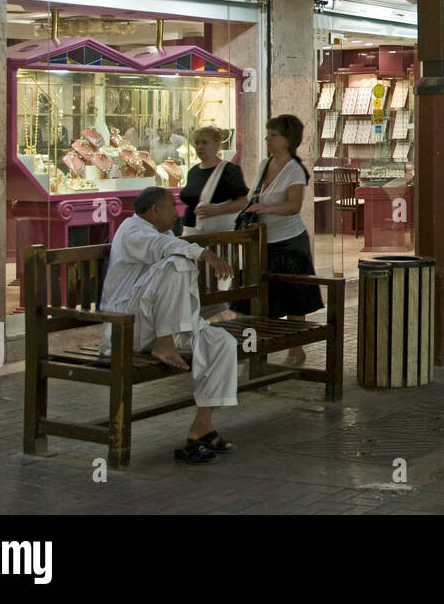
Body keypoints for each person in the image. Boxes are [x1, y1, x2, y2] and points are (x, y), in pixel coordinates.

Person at [100, 187, 237, 464]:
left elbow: (168, 255)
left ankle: (202, 427)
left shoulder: (162, 233)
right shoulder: (132, 230)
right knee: (177, 263)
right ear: (154, 211)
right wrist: (204, 254)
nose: (176, 214)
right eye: (170, 208)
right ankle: (164, 344)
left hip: (161, 323)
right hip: (128, 328)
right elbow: (163, 250)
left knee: (223, 344)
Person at [235, 115, 323, 364]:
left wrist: (266, 209)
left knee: (294, 298)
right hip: (263, 242)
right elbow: (253, 197)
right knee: (260, 298)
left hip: (289, 242)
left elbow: (294, 206)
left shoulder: (295, 169)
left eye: (274, 135)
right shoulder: (264, 164)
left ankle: (296, 349)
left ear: (287, 140)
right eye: (268, 134)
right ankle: (254, 350)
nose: (268, 139)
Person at [180, 126, 250, 236]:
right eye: (197, 143)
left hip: (217, 235)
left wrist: (217, 209)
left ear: (217, 145)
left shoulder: (229, 170)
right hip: (191, 231)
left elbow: (244, 201)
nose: (199, 147)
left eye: (205, 143)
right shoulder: (193, 171)